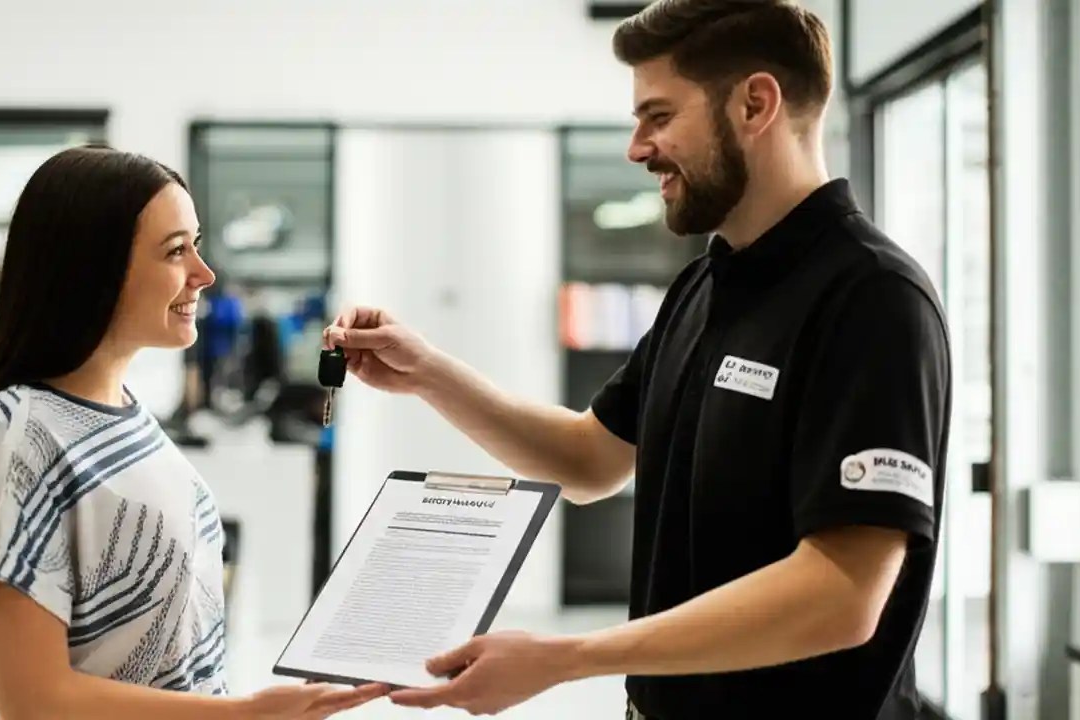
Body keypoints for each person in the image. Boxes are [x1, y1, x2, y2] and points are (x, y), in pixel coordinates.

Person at [323, 1, 952, 718]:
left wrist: (569, 658)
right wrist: (429, 372)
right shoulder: (705, 284)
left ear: (755, 104)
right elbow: (591, 459)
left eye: (658, 116)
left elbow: (843, 595)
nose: (637, 147)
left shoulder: (871, 298)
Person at [0, 145, 386, 720]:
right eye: (177, 250)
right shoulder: (22, 432)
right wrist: (246, 715)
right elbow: (32, 700)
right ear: (94, 269)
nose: (204, 274)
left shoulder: (125, 413)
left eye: (196, 245)